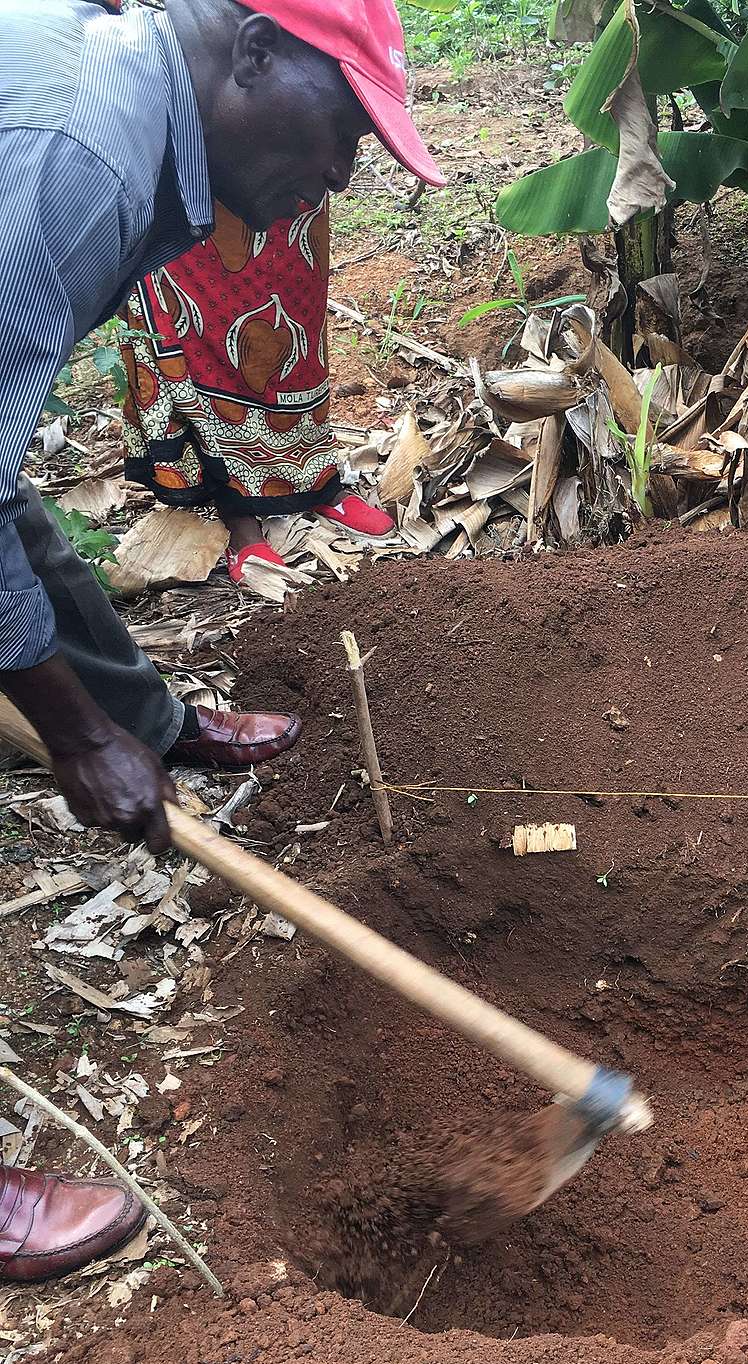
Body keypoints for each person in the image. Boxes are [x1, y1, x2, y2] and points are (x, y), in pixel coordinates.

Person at [0, 0, 443, 1282]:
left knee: (22, 536)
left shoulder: (143, 112)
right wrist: (73, 745)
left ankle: (158, 729)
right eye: (342, 126)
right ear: (253, 53)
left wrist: (118, 731)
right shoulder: (78, 160)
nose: (344, 171)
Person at [120, 195, 396, 586]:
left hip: (286, 158)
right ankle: (237, 514)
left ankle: (319, 478)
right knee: (196, 322)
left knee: (296, 313)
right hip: (193, 169)